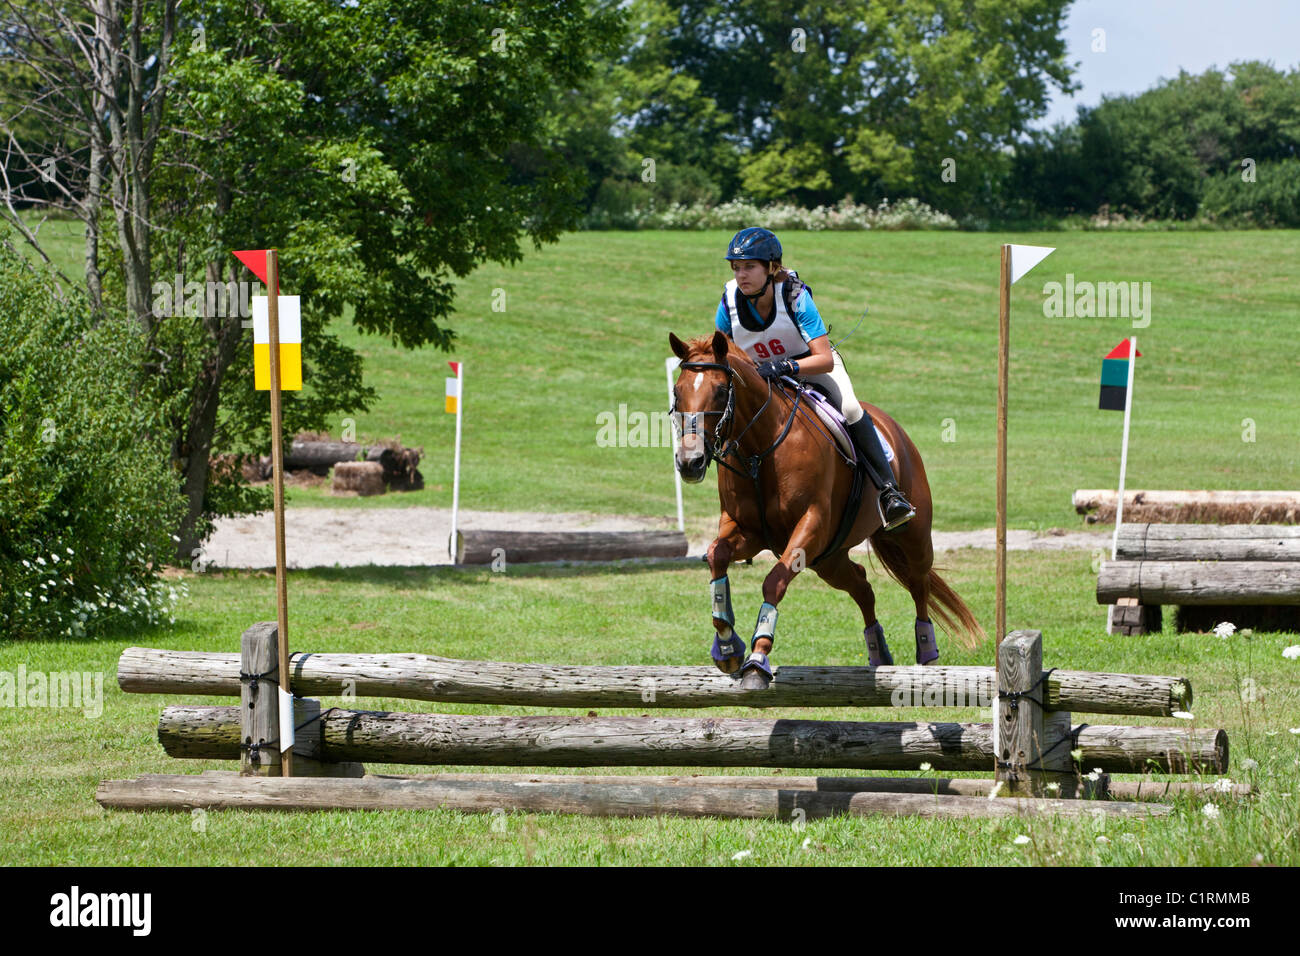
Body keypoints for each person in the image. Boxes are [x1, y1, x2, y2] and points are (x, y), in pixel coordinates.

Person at [714, 226, 914, 530]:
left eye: (750, 267)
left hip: (812, 369)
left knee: (850, 409)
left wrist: (785, 367)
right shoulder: (728, 301)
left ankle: (889, 493)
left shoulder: (795, 296)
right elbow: (722, 354)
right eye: (737, 267)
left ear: (772, 268)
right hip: (762, 378)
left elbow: (822, 358)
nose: (742, 275)